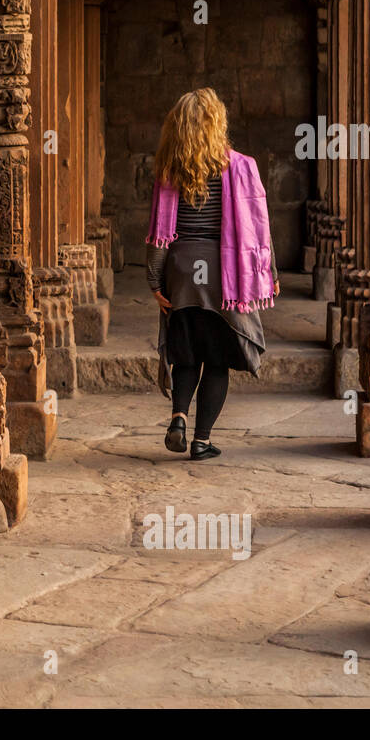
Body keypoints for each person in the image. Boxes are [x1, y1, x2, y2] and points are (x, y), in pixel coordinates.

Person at [145, 88, 279, 461]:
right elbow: (258, 229)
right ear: (216, 123)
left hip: (182, 275)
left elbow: (159, 234)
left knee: (187, 356)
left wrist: (155, 282)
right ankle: (201, 441)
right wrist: (268, 272)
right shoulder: (241, 167)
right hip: (225, 278)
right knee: (217, 361)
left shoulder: (169, 171)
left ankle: (178, 419)